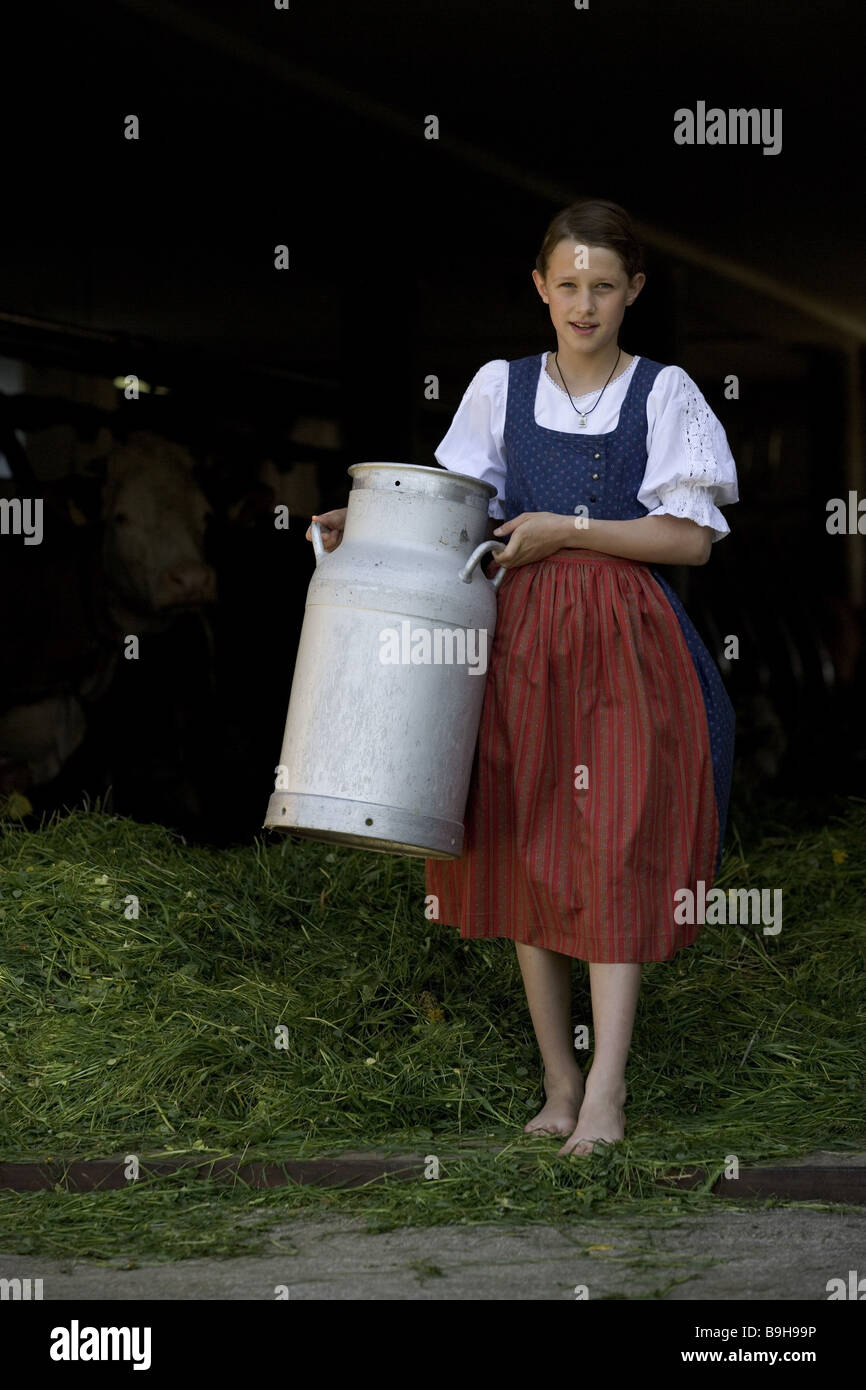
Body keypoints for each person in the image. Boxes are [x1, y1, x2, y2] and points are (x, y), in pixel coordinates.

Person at [307, 196, 738, 1158]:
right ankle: (559, 1082)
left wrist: (567, 532)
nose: (585, 303)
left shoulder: (665, 395)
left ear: (634, 292)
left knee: (618, 844)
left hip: (628, 643)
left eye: (605, 286)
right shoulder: (498, 388)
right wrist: (361, 524)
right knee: (527, 839)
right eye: (568, 284)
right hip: (520, 643)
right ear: (541, 288)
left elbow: (691, 540)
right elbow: (456, 508)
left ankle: (608, 1096)